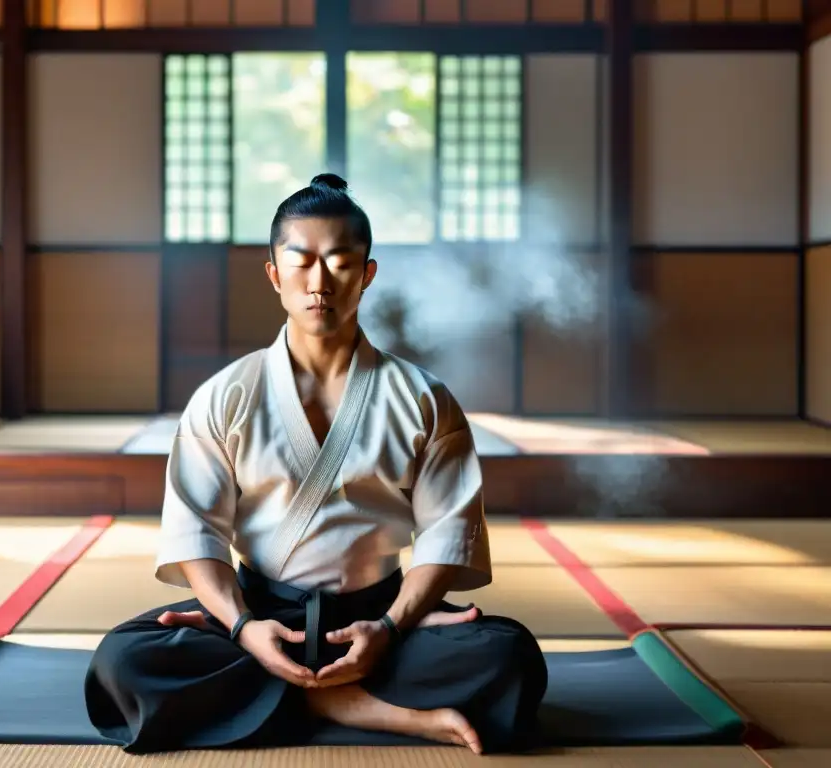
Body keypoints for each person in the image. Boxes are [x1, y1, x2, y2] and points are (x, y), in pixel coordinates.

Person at [84, 174, 548, 755]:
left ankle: (293, 694)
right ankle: (350, 704)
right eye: (300, 263)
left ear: (368, 273)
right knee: (122, 660)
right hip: (259, 615)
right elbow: (194, 533)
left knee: (510, 655)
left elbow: (447, 538)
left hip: (378, 617)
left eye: (340, 262)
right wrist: (240, 627)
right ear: (275, 274)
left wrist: (394, 626)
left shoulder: (422, 397)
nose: (319, 283)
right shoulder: (226, 395)